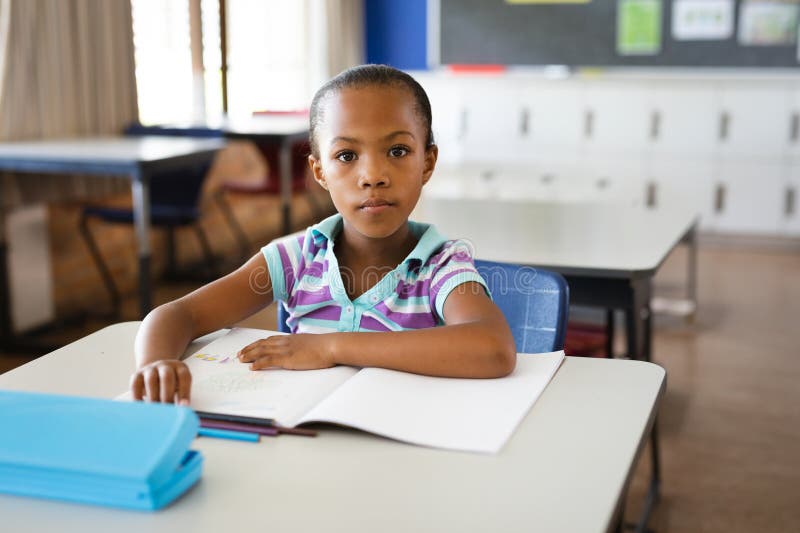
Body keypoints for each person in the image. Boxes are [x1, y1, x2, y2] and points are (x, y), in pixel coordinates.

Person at [130, 64, 516, 405]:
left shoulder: (441, 265)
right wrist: (156, 364)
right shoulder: (294, 259)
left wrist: (330, 346)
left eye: (397, 151)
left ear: (427, 162)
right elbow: (178, 314)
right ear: (319, 172)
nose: (372, 175)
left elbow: (493, 348)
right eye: (347, 156)